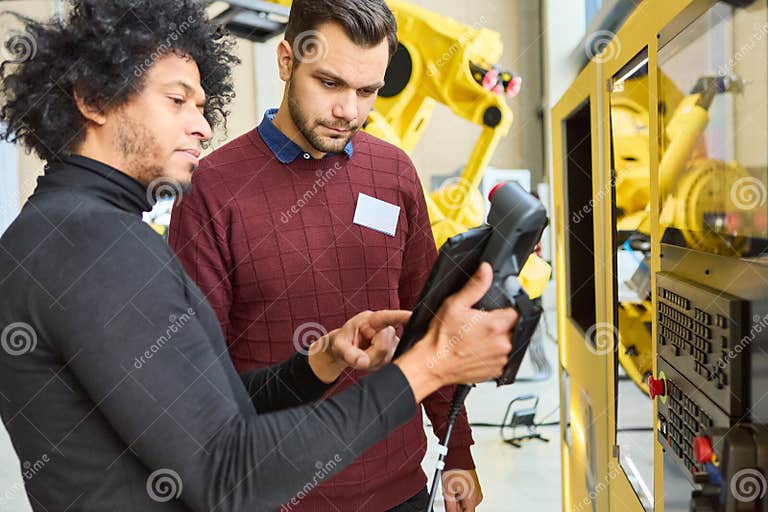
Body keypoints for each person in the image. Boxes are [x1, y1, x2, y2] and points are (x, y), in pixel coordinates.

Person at [0, 1, 519, 511]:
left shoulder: (86, 230)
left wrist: (320, 361)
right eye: (178, 102)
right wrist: (432, 366)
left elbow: (215, 408)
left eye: (201, 106)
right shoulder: (90, 245)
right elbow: (226, 470)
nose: (202, 127)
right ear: (93, 98)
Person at [168, 1, 481, 510]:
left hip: (398, 488)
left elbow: (431, 322)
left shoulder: (395, 173)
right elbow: (197, 374)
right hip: (273, 493)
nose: (349, 111)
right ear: (288, 61)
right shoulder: (212, 189)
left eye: (368, 91)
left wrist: (459, 450)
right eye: (331, 84)